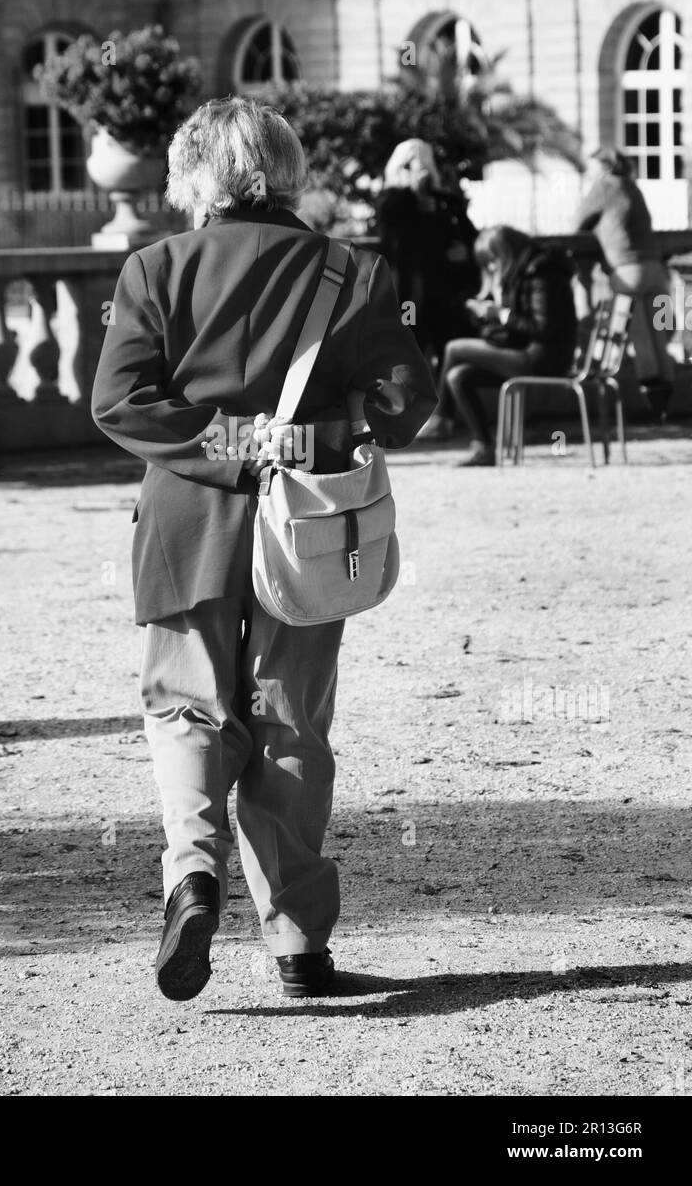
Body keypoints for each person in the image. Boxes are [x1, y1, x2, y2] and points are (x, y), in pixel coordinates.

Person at [91, 97, 436, 1001]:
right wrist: (324, 429)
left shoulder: (154, 268)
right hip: (311, 527)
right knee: (290, 722)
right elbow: (408, 404)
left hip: (185, 522)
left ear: (197, 178)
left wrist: (229, 447)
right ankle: (298, 948)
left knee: (187, 709)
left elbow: (119, 400)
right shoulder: (352, 271)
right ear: (284, 171)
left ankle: (192, 878)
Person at [422, 225, 577, 466]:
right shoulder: (527, 272)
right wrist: (489, 316)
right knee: (458, 376)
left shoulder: (542, 272)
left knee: (454, 348)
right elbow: (518, 330)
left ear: (506, 251)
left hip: (544, 357)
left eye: (493, 260)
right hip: (529, 352)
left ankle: (441, 419)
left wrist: (502, 314)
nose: (492, 268)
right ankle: (484, 447)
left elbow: (543, 328)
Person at [573, 146, 676, 420]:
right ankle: (667, 405)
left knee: (641, 340)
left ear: (603, 168)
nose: (589, 174)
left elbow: (578, 221)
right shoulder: (632, 186)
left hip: (628, 271)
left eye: (592, 168)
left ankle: (654, 407)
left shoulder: (604, 187)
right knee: (659, 338)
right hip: (656, 270)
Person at [374, 137, 479, 357]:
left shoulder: (445, 202)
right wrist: (415, 195)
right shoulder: (391, 200)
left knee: (444, 340)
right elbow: (395, 238)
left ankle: (439, 388)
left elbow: (467, 235)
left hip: (441, 290)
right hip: (407, 291)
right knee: (407, 335)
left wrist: (465, 251)